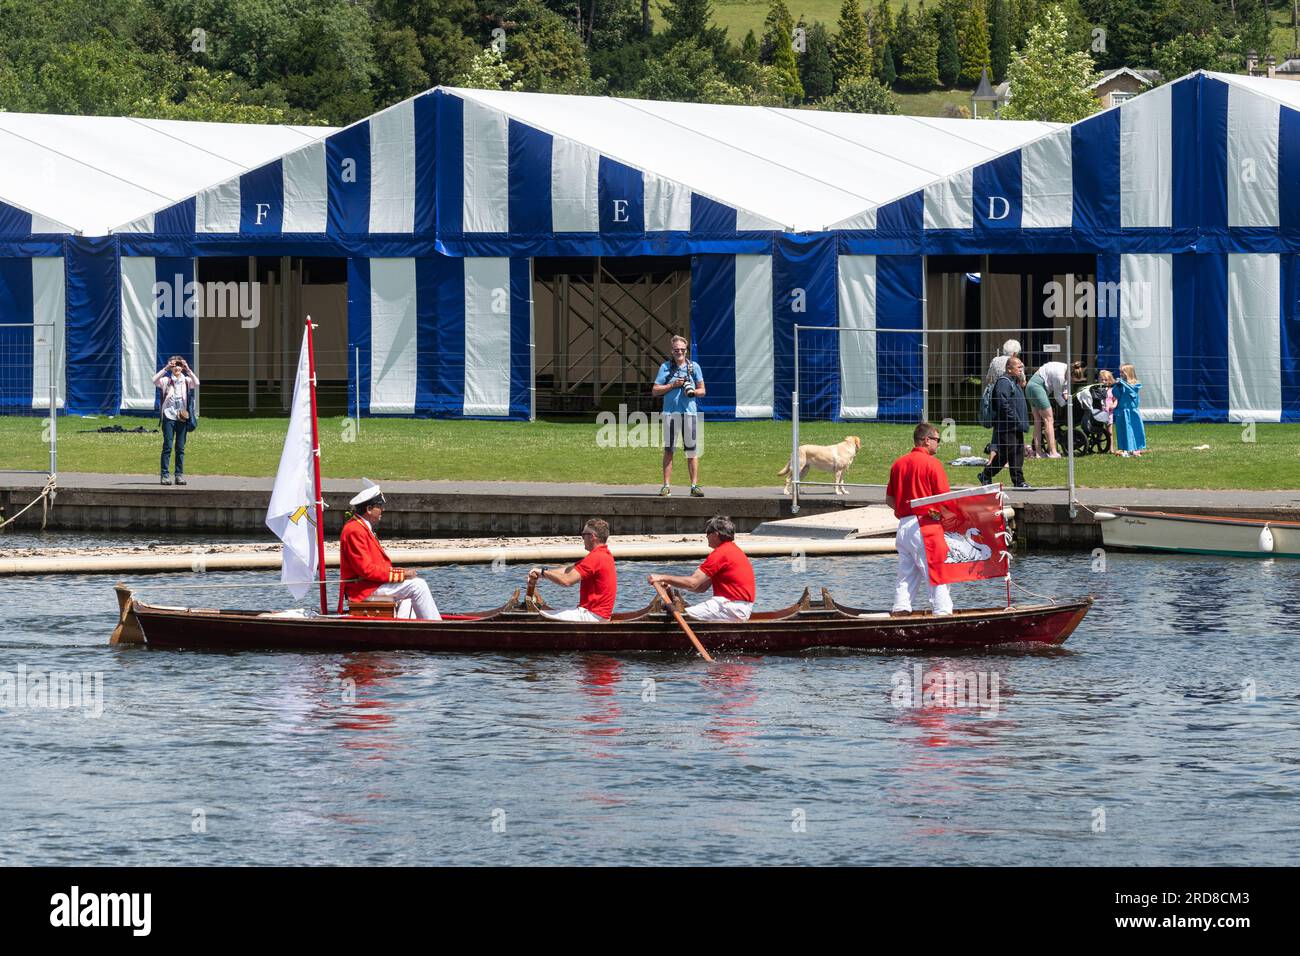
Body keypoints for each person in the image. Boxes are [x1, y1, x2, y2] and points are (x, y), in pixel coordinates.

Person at [340, 481, 441, 619]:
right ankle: (436, 627)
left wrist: (401, 573)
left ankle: (404, 629)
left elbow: (375, 567)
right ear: (369, 509)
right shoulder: (355, 530)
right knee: (418, 586)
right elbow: (366, 570)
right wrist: (401, 575)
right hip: (364, 588)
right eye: (380, 506)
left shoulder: (359, 527)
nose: (383, 510)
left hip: (371, 584)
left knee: (410, 590)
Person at [885, 422, 953, 617]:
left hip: (904, 527)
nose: (938, 444)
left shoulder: (898, 463)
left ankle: (900, 611)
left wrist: (903, 510)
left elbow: (889, 499)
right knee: (937, 572)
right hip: (925, 527)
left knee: (906, 576)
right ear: (927, 440)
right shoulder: (932, 464)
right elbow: (945, 500)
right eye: (937, 440)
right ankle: (943, 614)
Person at [648, 515, 754, 621]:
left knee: (676, 616)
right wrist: (672, 584)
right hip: (738, 608)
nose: (706, 536)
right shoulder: (733, 550)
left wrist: (662, 577)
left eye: (707, 533)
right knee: (676, 611)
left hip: (729, 606)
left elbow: (693, 583)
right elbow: (700, 587)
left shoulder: (721, 553)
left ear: (715, 535)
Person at [528, 518, 618, 622]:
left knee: (539, 616)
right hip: (596, 615)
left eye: (583, 535)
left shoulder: (596, 557)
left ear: (592, 537)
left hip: (592, 616)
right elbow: (568, 570)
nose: (583, 539)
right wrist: (541, 572)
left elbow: (566, 581)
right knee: (545, 611)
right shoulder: (604, 554)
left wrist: (543, 573)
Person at [652, 334, 706, 498]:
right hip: (670, 414)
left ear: (686, 350)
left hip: (689, 414)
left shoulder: (694, 367)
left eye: (682, 349)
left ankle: (694, 486)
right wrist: (672, 385)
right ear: (672, 351)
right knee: (669, 451)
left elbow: (703, 390)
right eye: (676, 350)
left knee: (691, 452)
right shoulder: (665, 367)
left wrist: (692, 392)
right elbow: (655, 390)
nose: (679, 352)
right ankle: (666, 486)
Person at [977, 356, 1031, 489]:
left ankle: (1018, 481)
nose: (1021, 369)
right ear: (1009, 368)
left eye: (1021, 367)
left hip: (1015, 426)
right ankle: (987, 475)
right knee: (1005, 455)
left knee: (1017, 454)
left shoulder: (1014, 382)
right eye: (1018, 367)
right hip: (1007, 426)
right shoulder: (1004, 382)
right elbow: (1003, 403)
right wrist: (1014, 419)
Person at [153, 355, 198, 485]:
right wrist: (166, 368)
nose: (176, 367)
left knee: (180, 447)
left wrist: (188, 369)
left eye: (179, 365)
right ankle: (165, 475)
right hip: (169, 416)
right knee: (167, 446)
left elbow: (197, 383)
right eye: (174, 365)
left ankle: (179, 475)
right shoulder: (166, 380)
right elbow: (154, 380)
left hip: (182, 417)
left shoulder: (186, 380)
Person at [1025, 359, 1070, 458]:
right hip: (1037, 387)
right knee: (1049, 420)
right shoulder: (1060, 376)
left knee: (1038, 421)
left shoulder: (1066, 368)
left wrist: (1068, 398)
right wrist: (1068, 407)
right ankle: (1053, 452)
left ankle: (1038, 453)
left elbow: (1065, 389)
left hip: (1030, 386)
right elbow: (1058, 396)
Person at [1113, 363, 1147, 457]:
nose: (1120, 374)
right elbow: (1116, 394)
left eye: (1122, 372)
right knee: (1122, 430)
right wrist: (1117, 386)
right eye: (1120, 372)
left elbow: (1132, 391)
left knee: (1135, 429)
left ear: (1128, 373)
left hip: (1132, 412)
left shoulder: (1136, 384)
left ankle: (1136, 449)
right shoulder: (1121, 384)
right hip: (1122, 411)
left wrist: (1123, 383)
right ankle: (1125, 449)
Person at [1097, 369, 1120, 455]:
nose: (1103, 381)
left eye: (1105, 380)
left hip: (1109, 413)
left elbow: (1115, 399)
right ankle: (1099, 446)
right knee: (1099, 431)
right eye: (1102, 379)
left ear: (1110, 380)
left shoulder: (1112, 390)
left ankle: (1111, 448)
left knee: (1109, 431)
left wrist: (1113, 405)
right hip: (1100, 413)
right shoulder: (1098, 390)